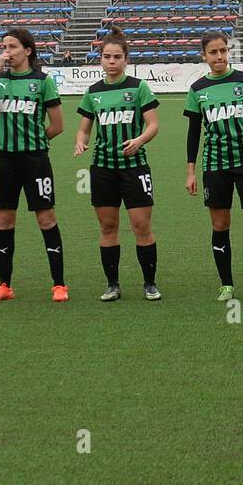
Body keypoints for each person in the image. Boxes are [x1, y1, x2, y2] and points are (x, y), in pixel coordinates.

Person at [184, 30, 243, 300]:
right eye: (213, 52)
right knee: (220, 225)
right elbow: (193, 133)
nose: (219, 56)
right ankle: (227, 284)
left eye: (223, 51)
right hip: (214, 164)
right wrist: (191, 171)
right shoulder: (198, 89)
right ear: (204, 56)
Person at [0, 27, 67, 303]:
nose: (8, 52)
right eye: (5, 46)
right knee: (4, 221)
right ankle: (4, 284)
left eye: (13, 46)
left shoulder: (42, 81)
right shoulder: (1, 81)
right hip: (3, 160)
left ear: (28, 50)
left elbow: (57, 125)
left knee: (46, 218)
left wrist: (37, 143)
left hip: (35, 160)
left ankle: (59, 285)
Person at [74, 28, 161, 302]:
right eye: (106, 57)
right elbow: (84, 128)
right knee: (108, 227)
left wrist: (139, 140)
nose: (111, 62)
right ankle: (112, 284)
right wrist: (81, 141)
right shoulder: (93, 92)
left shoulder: (138, 87)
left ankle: (149, 283)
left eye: (117, 57)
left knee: (141, 226)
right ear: (100, 59)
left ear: (126, 60)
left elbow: (154, 125)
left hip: (134, 167)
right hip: (102, 168)